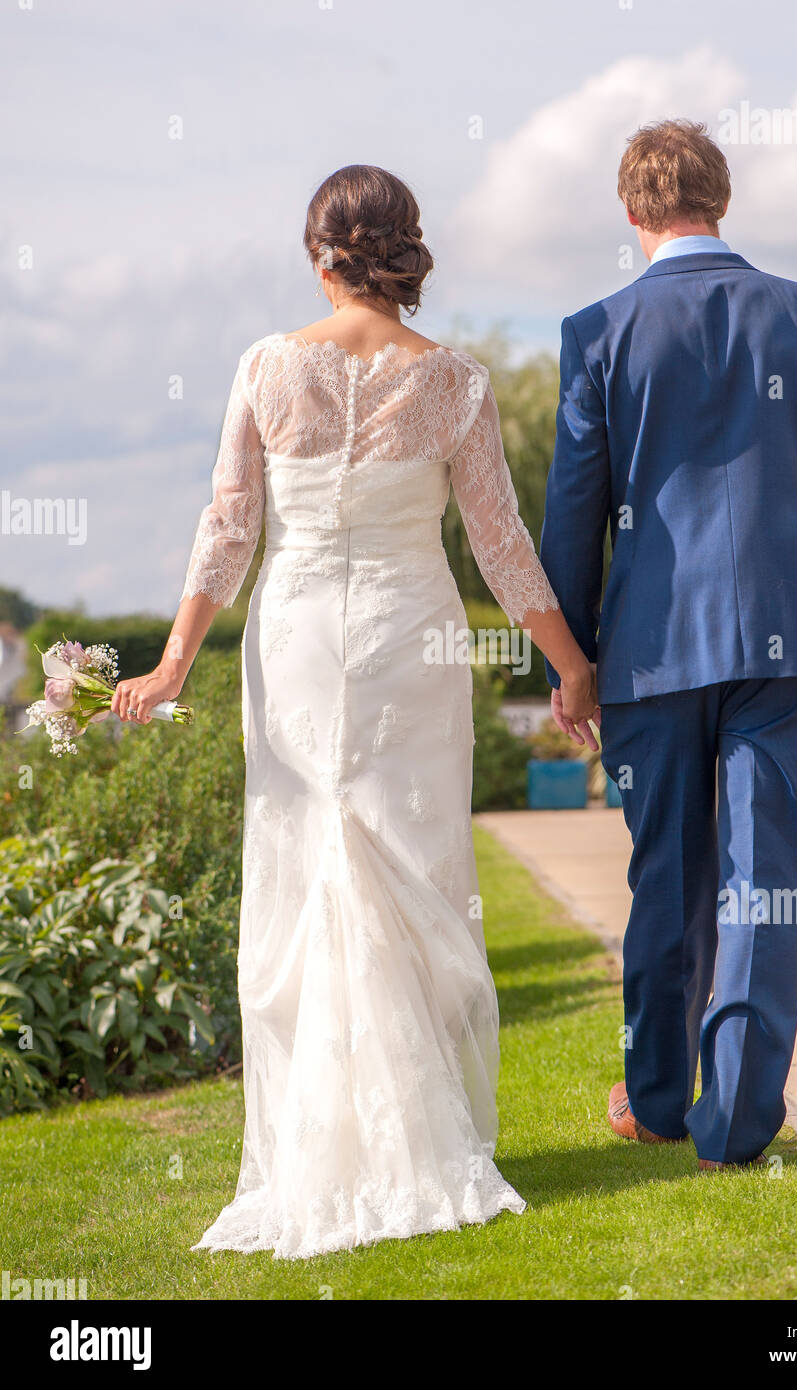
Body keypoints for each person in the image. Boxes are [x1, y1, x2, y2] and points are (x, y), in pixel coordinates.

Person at [112, 164, 598, 1256]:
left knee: (302, 871)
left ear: (318, 252)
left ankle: (319, 1150)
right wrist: (572, 665)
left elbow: (228, 525)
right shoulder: (456, 381)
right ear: (408, 249)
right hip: (405, 641)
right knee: (410, 864)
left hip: (289, 643)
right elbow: (499, 544)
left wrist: (177, 661)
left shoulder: (265, 366)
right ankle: (416, 1142)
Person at [541, 119, 797, 1169]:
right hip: (793, 645)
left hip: (648, 651)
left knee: (667, 875)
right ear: (723, 198)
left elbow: (574, 509)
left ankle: (655, 1098)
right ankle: (734, 1119)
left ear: (631, 211)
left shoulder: (596, 330)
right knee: (766, 879)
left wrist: (574, 656)